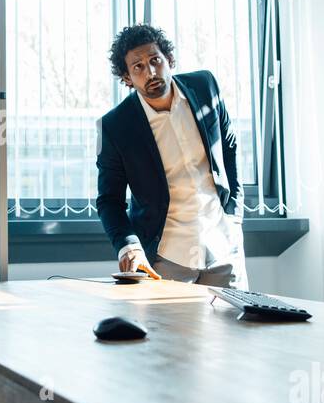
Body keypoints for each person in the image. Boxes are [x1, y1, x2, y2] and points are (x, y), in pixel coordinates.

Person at [95, 25, 247, 287]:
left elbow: (230, 146)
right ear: (127, 78)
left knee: (239, 324)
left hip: (224, 243)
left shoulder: (205, 87)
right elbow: (109, 200)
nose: (151, 72)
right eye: (138, 67)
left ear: (169, 60)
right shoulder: (115, 126)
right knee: (168, 329)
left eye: (155, 60)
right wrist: (128, 245)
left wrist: (235, 213)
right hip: (167, 256)